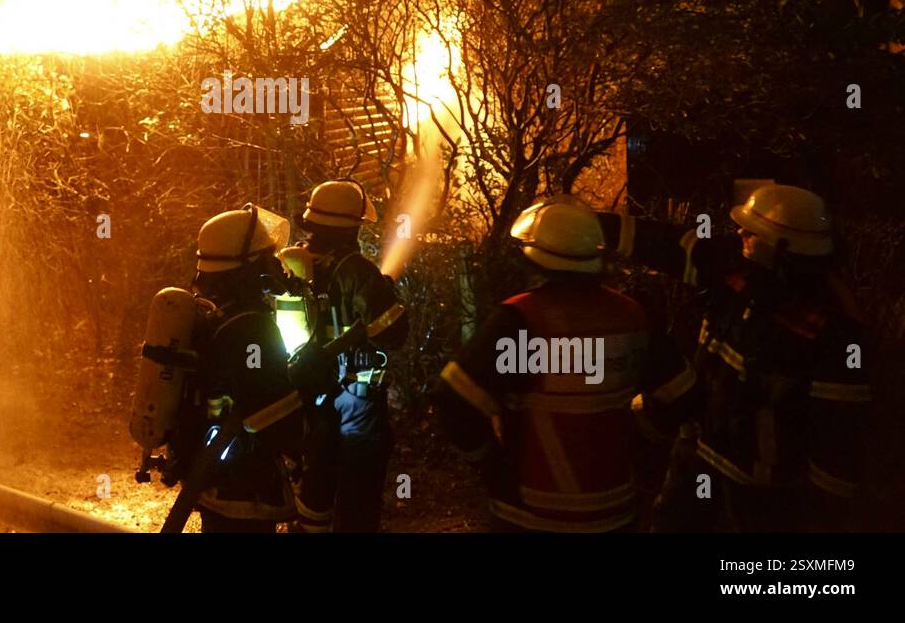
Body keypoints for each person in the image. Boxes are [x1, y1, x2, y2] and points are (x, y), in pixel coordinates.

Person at [595, 183, 871, 531]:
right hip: (699, 452)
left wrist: (817, 518)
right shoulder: (738, 270)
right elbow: (671, 245)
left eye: (751, 231)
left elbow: (839, 438)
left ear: (780, 247)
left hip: (762, 492)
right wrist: (593, 225)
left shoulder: (831, 330)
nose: (739, 233)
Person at [435, 196, 693, 532]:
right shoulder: (633, 316)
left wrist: (491, 466)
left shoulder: (519, 320)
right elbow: (685, 394)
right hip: (613, 512)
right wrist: (639, 439)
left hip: (530, 514)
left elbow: (452, 397)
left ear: (532, 261)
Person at [281, 180, 408, 532]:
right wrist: (384, 292)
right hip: (358, 404)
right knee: (358, 499)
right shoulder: (359, 272)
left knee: (315, 492)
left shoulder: (292, 263)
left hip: (308, 399)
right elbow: (394, 335)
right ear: (352, 225)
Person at [185, 204, 300, 532]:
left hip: (217, 472)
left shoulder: (218, 313)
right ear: (250, 266)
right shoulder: (253, 326)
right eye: (267, 257)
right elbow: (271, 409)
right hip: (245, 480)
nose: (275, 265)